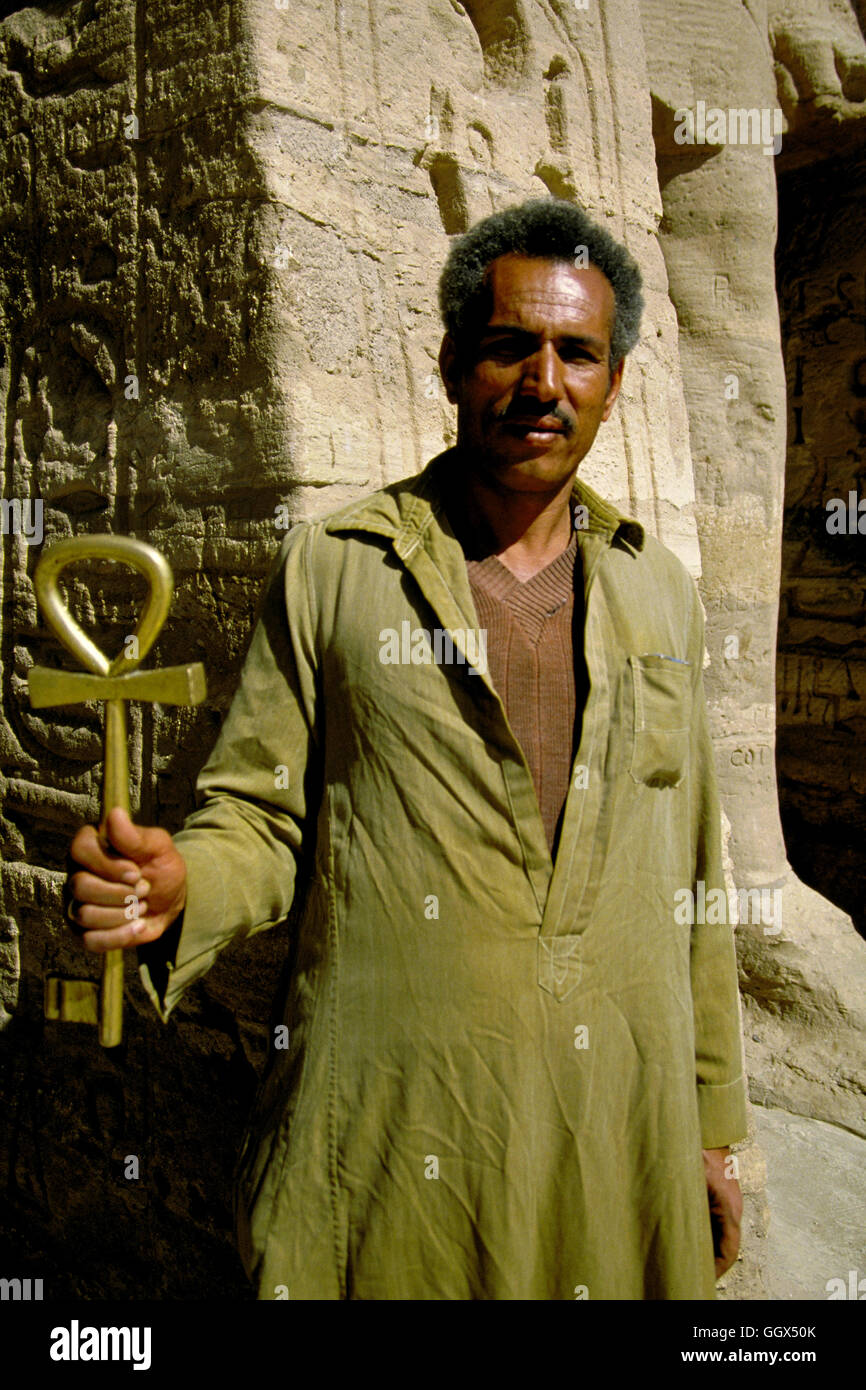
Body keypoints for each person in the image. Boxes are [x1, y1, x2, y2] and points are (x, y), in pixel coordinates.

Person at [66, 197, 747, 1300]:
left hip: (619, 1132)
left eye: (576, 354)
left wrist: (713, 1127)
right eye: (506, 347)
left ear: (612, 386)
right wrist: (180, 882)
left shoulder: (657, 592)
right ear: (449, 364)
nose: (541, 383)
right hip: (396, 1140)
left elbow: (695, 883)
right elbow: (259, 815)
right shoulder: (337, 568)